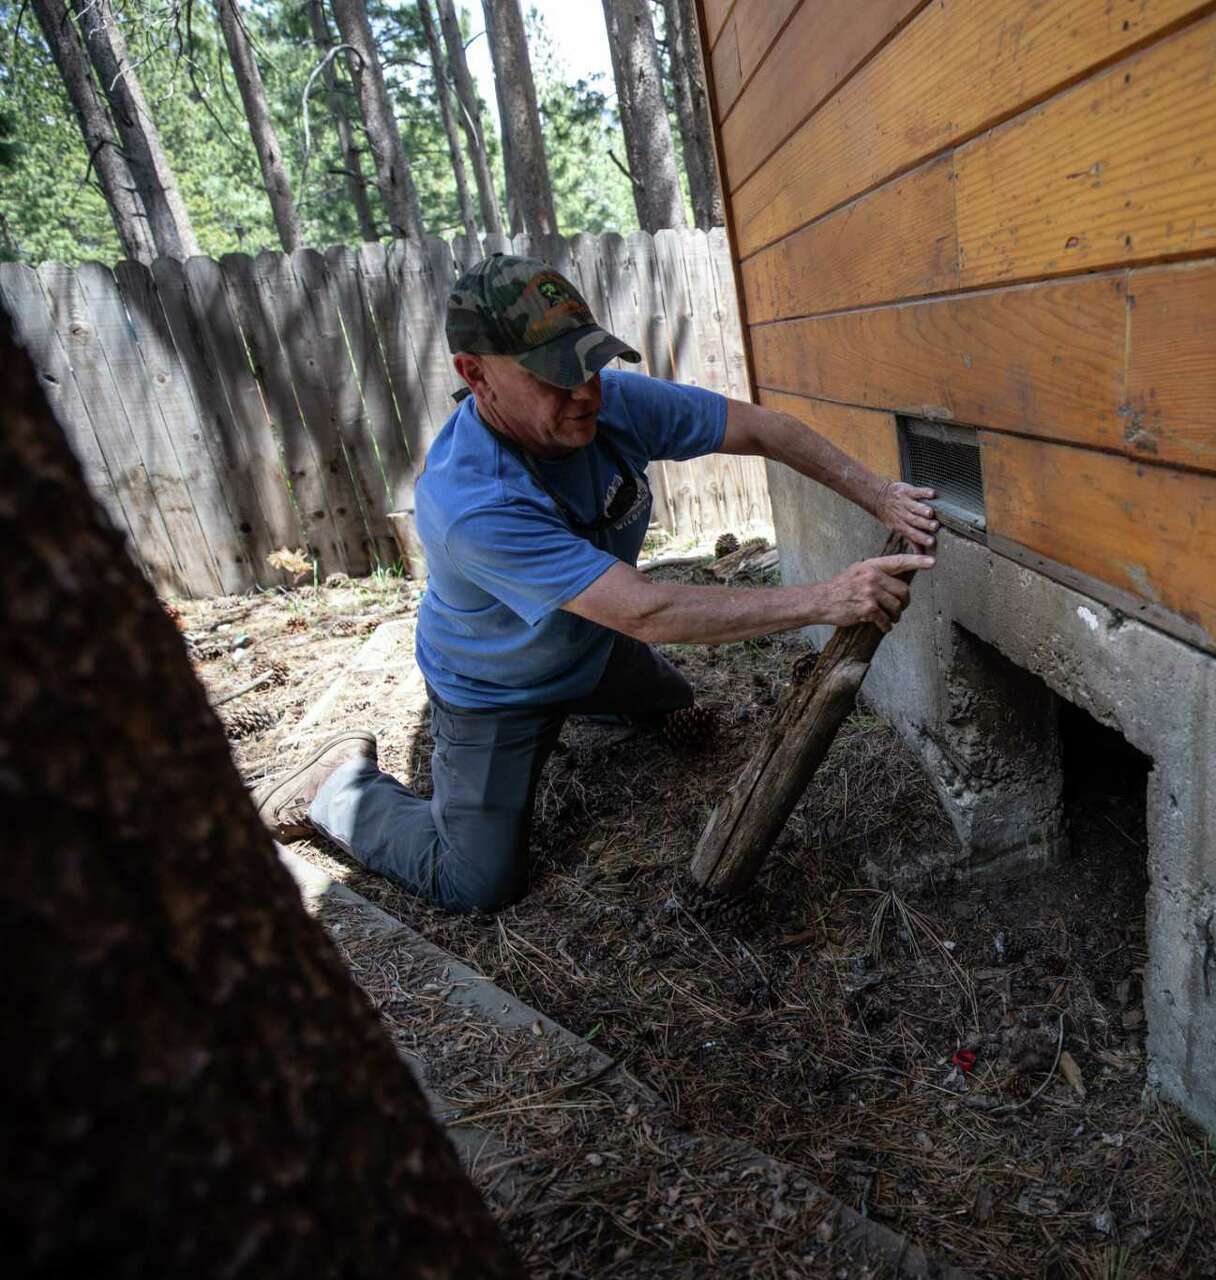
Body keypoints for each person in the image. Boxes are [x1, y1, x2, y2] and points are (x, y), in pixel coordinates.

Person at [253, 254, 936, 912]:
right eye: (555, 376)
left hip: (593, 641)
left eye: (590, 364)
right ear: (476, 374)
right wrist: (826, 598)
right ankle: (339, 786)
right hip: (498, 689)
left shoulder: (608, 405)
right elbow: (647, 610)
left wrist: (879, 495)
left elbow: (762, 427)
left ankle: (597, 696)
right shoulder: (472, 501)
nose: (584, 392)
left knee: (677, 708)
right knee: (474, 882)